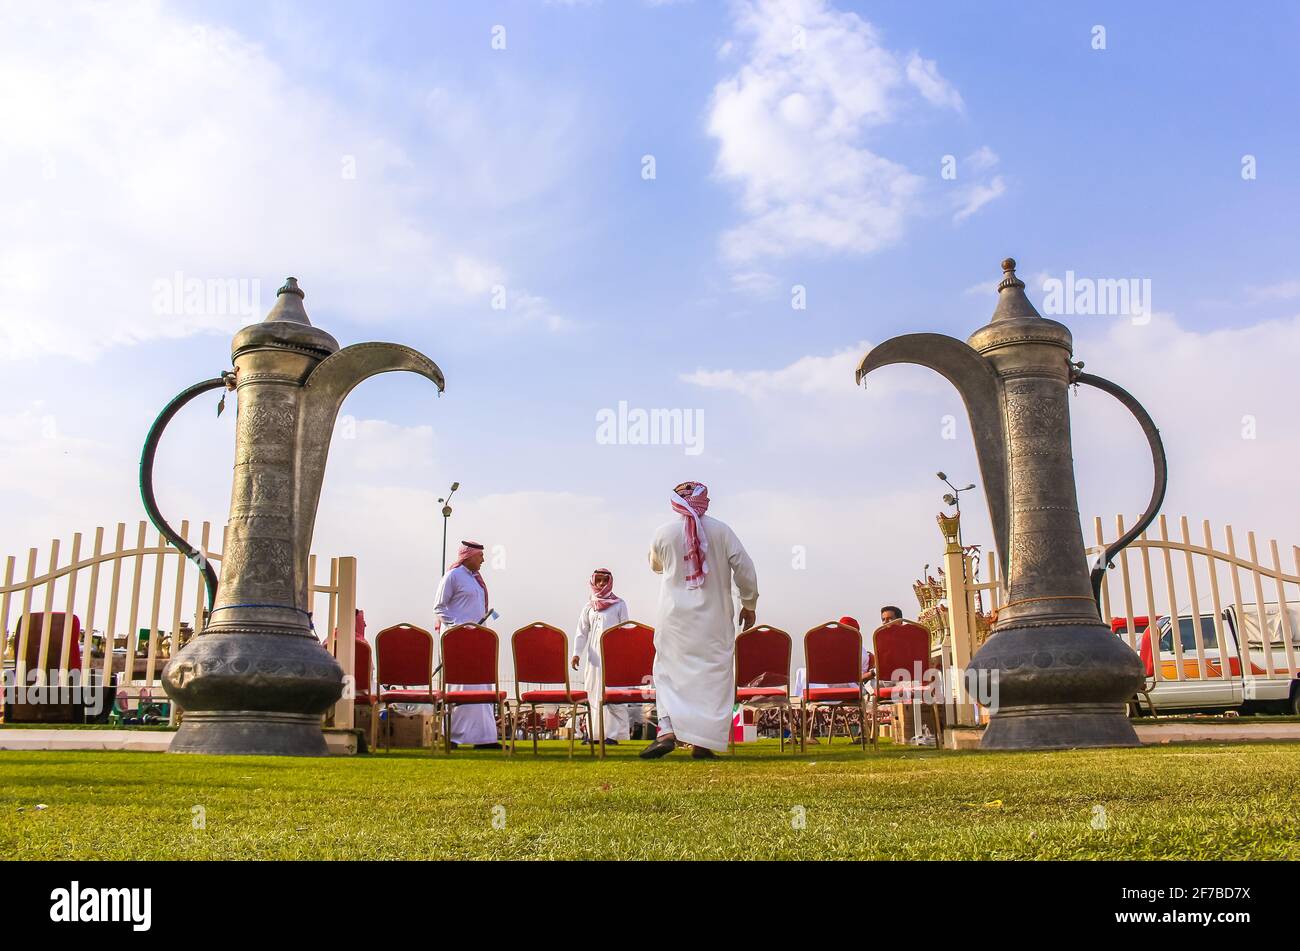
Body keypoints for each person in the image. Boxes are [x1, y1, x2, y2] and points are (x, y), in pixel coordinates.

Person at [640, 481, 759, 760]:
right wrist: (749, 603)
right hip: (714, 621)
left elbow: (655, 566)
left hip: (674, 621)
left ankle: (667, 731)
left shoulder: (663, 533)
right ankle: (703, 743)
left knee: (669, 675)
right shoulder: (722, 531)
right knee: (712, 679)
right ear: (705, 500)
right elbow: (744, 567)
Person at [433, 540, 500, 749]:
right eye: (480, 556)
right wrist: (458, 628)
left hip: (477, 641)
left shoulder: (476, 580)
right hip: (457, 640)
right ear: (469, 556)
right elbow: (439, 607)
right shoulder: (453, 576)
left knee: (481, 683)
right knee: (458, 684)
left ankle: (483, 738)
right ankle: (452, 735)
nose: (483, 560)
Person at [571, 567, 630, 745]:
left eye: (605, 580)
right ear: (594, 582)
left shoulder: (619, 604)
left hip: (613, 656)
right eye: (599, 581)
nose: (602, 584)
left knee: (610, 694)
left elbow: (626, 630)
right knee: (592, 692)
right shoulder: (589, 607)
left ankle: (611, 735)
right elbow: (581, 632)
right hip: (593, 657)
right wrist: (576, 654)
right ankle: (593, 733)